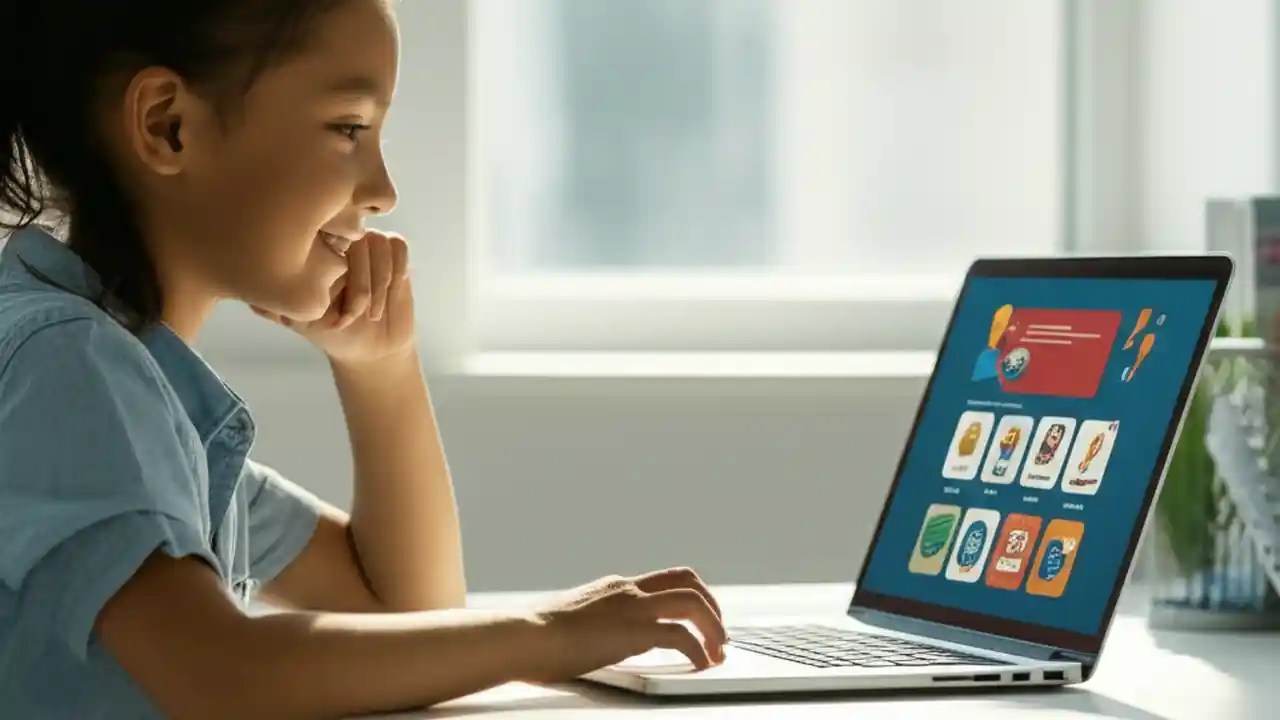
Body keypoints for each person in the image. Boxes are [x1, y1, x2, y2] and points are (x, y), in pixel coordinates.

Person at [0, 1, 727, 716]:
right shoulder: (67, 364)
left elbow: (411, 614)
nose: (383, 191)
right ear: (169, 125)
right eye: (349, 128)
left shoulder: (141, 394)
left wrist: (381, 370)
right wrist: (546, 636)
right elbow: (219, 673)